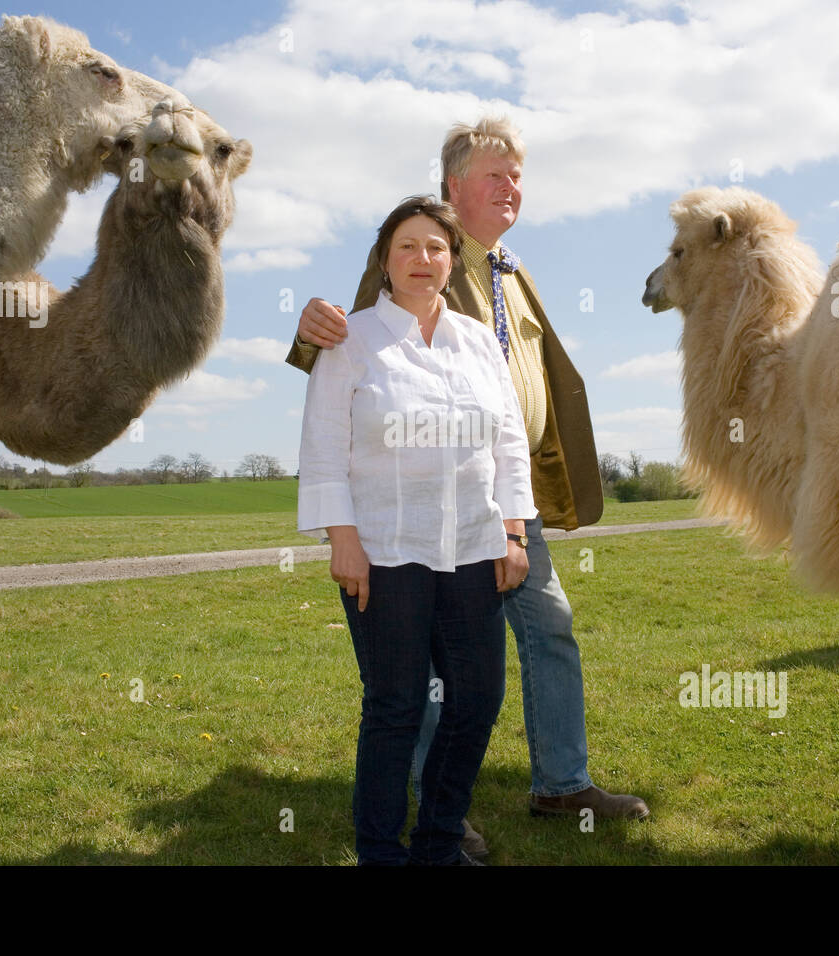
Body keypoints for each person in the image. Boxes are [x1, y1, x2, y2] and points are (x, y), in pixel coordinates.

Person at [289, 118, 650, 857]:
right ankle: (430, 817)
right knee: (411, 687)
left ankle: (553, 783)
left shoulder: (510, 274)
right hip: (399, 530)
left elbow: (524, 398)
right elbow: (342, 347)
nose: (511, 187)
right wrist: (307, 328)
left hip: (503, 507)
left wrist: (520, 515)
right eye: (496, 175)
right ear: (454, 187)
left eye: (517, 175)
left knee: (525, 649)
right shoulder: (418, 254)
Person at [297, 195, 536, 866]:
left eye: (435, 247)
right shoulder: (352, 338)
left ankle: (438, 841)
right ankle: (379, 849)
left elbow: (508, 441)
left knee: (478, 698)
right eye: (407, 246)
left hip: (472, 545)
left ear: (452, 260)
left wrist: (512, 531)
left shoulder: (478, 341)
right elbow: (323, 445)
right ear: (385, 259)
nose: (422, 259)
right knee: (396, 705)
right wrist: (342, 538)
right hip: (384, 549)